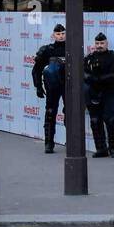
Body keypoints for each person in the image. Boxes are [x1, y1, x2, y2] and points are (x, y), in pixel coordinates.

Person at [83, 32, 114, 158]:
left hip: (108, 91)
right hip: (93, 91)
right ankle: (101, 149)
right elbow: (84, 73)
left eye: (102, 43)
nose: (99, 46)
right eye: (97, 43)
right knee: (95, 120)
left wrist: (99, 79)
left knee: (110, 119)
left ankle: (113, 149)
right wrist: (93, 80)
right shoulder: (89, 58)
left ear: (107, 43)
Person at [32, 24, 67, 154]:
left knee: (70, 113)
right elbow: (36, 70)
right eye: (58, 34)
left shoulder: (72, 48)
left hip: (69, 86)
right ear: (53, 35)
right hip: (52, 87)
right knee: (50, 113)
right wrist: (38, 87)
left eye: (63, 33)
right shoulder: (47, 50)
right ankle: (49, 143)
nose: (61, 36)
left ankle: (72, 141)